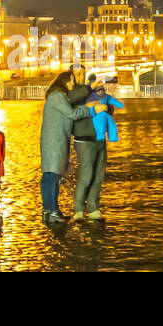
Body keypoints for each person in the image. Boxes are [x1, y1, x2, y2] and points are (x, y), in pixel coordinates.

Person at [40, 70, 102, 224]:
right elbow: (72, 114)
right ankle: (52, 211)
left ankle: (49, 211)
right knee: (52, 177)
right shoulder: (58, 97)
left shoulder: (56, 96)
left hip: (55, 140)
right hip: (55, 142)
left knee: (50, 177)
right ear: (65, 82)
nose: (73, 84)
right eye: (72, 81)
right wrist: (91, 109)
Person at [71, 74, 124, 220]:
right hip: (84, 139)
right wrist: (93, 107)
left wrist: (107, 107)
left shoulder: (94, 91)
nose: (80, 76)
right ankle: (79, 209)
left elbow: (110, 108)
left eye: (82, 73)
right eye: (77, 74)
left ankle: (93, 208)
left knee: (98, 175)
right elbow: (74, 112)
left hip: (99, 139)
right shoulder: (75, 93)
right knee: (87, 175)